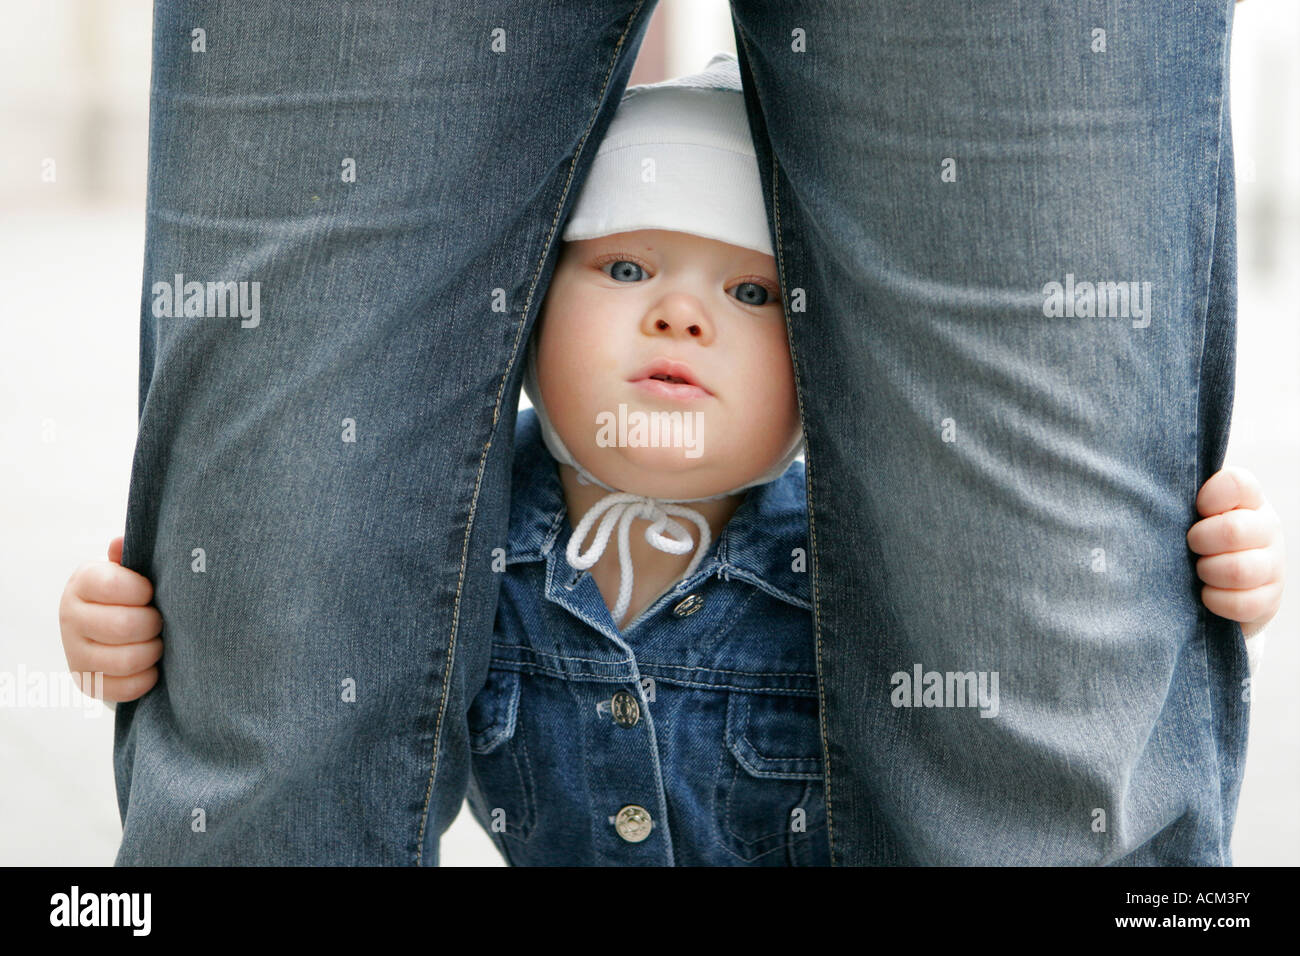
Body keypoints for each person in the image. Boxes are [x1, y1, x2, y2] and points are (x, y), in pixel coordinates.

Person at [72, 45, 1282, 864]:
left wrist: (1209, 568)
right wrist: (124, 626)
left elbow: (1076, 641)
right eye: (627, 267)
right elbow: (299, 658)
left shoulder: (887, 536)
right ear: (526, 308)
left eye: (751, 292)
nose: (680, 315)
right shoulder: (439, 511)